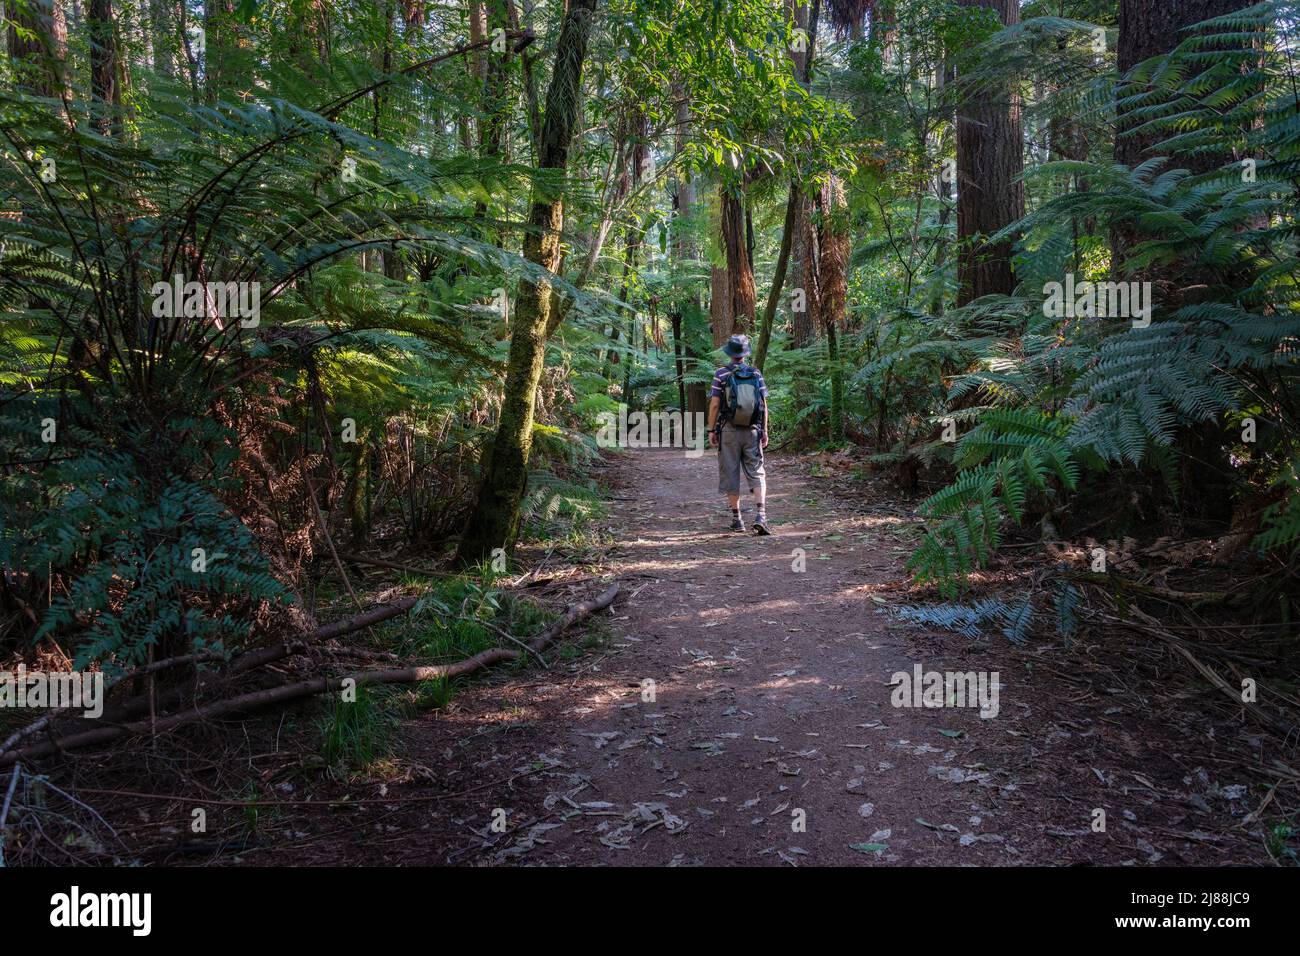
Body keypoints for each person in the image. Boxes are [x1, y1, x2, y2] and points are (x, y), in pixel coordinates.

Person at [707, 334, 771, 534]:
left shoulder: (721, 374)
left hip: (729, 431)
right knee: (756, 471)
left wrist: (711, 429)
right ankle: (761, 515)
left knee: (731, 471)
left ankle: (738, 519)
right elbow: (764, 405)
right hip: (752, 430)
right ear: (745, 354)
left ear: (729, 353)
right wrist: (765, 430)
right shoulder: (756, 373)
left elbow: (715, 404)